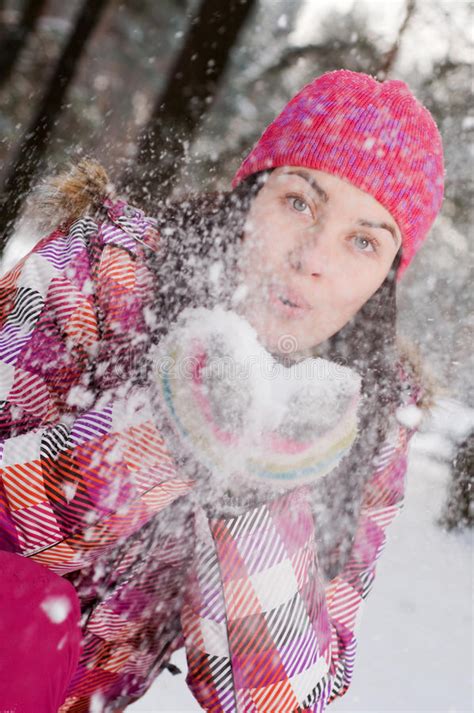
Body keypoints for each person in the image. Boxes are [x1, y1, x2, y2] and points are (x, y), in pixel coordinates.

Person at [0, 69, 444, 712]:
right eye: (299, 202)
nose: (313, 257)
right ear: (250, 196)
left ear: (382, 282)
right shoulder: (98, 271)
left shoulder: (365, 428)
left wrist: (258, 491)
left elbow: (280, 701)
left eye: (362, 240)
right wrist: (168, 430)